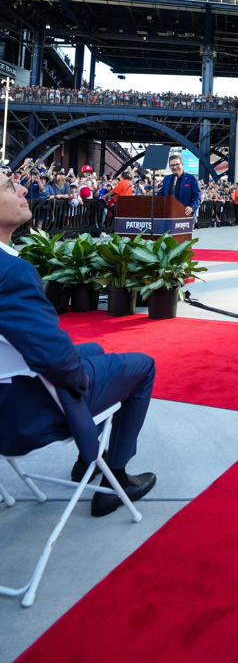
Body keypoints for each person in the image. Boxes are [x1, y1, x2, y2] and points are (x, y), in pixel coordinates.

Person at [0, 170, 156, 517]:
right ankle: (113, 476)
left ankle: (87, 462)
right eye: (10, 186)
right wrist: (82, 378)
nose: (23, 188)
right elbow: (56, 360)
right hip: (23, 416)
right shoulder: (11, 272)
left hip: (11, 391)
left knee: (97, 350)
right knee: (143, 365)